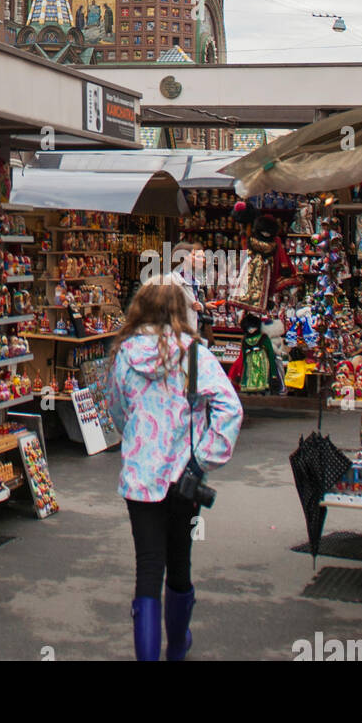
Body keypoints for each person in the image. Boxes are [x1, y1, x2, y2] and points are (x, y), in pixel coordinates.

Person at [108, 276, 243, 661]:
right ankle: (177, 649)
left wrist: (137, 440)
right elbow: (230, 409)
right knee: (179, 563)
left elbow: (117, 409)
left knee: (148, 568)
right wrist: (204, 457)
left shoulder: (124, 354)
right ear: (180, 310)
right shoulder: (194, 354)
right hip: (184, 477)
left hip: (139, 478)